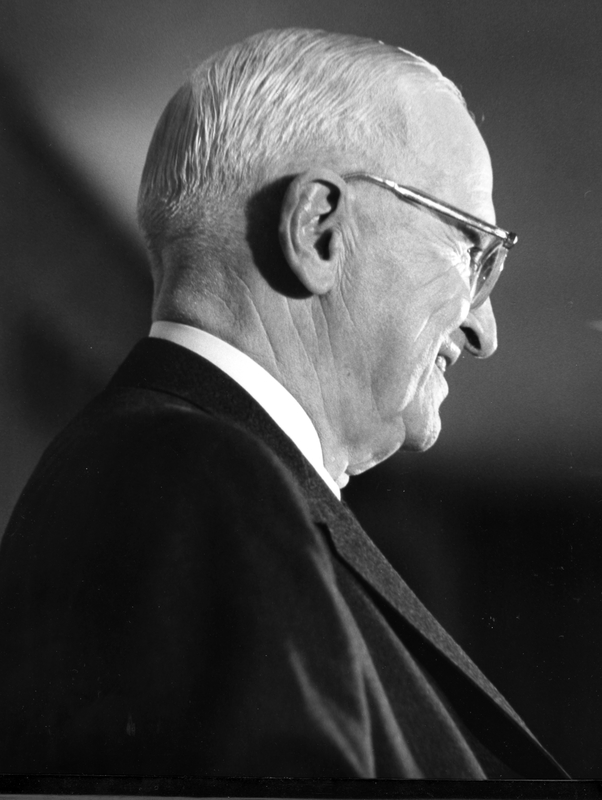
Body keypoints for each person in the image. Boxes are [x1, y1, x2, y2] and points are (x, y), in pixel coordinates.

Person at [0, 28, 567, 779]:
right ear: (319, 230)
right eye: (474, 250)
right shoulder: (197, 479)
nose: (484, 327)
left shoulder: (180, 474)